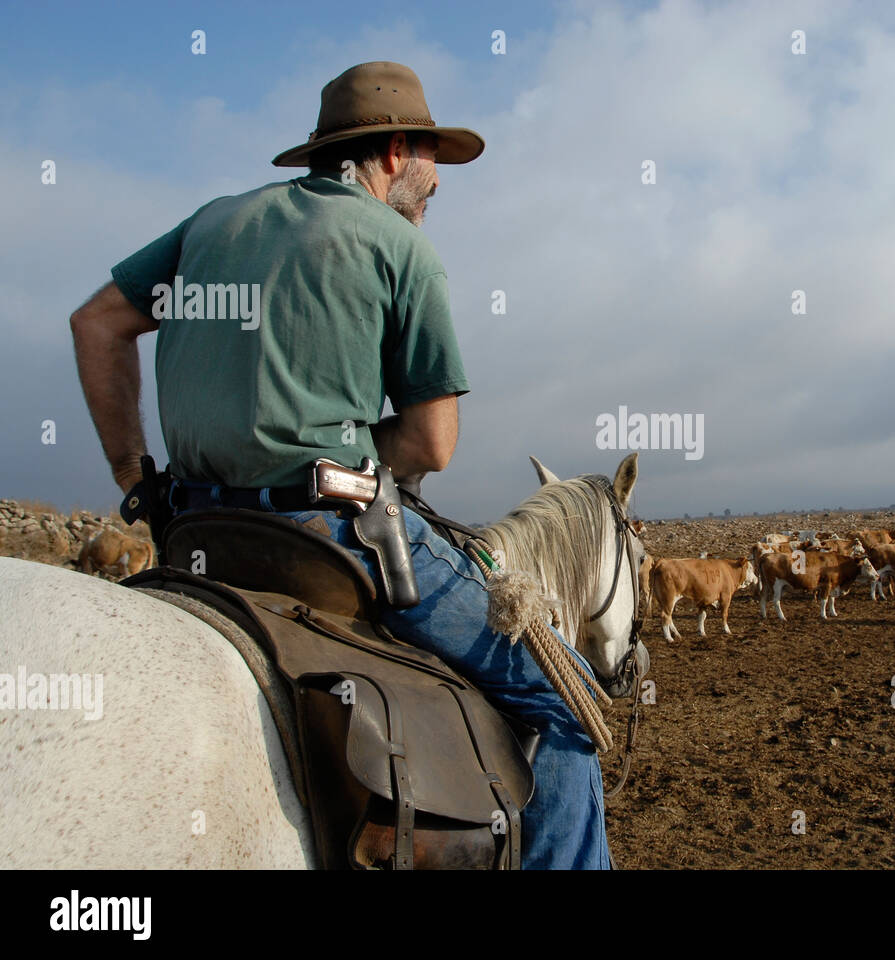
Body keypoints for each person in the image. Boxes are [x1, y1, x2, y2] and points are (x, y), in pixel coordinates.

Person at [69, 61, 612, 869]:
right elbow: (433, 446)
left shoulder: (213, 221)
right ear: (396, 150)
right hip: (326, 531)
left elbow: (96, 324)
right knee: (567, 700)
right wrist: (339, 446)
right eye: (432, 159)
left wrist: (131, 476)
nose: (436, 185)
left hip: (195, 528)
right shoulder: (400, 246)